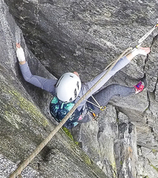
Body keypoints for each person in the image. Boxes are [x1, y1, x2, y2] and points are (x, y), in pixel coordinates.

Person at [15, 43, 148, 127]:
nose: (75, 72)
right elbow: (111, 71)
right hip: (88, 112)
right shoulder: (85, 91)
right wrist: (136, 52)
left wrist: (20, 55)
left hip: (73, 110)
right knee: (112, 89)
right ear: (79, 88)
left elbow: (28, 77)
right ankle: (136, 90)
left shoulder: (54, 87)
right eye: (76, 77)